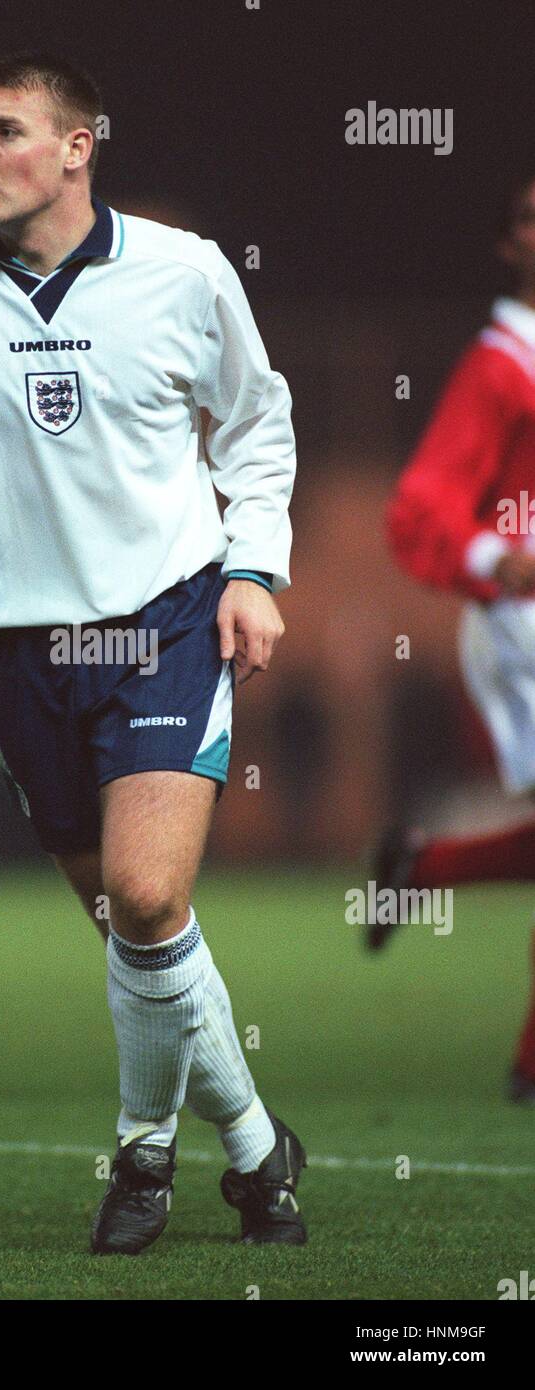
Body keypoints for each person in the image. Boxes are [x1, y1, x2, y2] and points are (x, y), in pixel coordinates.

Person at [0, 51, 305, 1250]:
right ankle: (254, 1147)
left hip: (164, 623)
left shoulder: (184, 275)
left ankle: (141, 1159)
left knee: (148, 896)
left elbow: (256, 426)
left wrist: (250, 571)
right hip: (16, 648)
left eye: (3, 130)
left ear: (79, 144)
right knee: (135, 937)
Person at [375, 173, 535, 1104]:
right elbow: (420, 504)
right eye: (525, 218)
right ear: (506, 246)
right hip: (520, 621)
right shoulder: (497, 365)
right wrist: (490, 551)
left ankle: (423, 865)